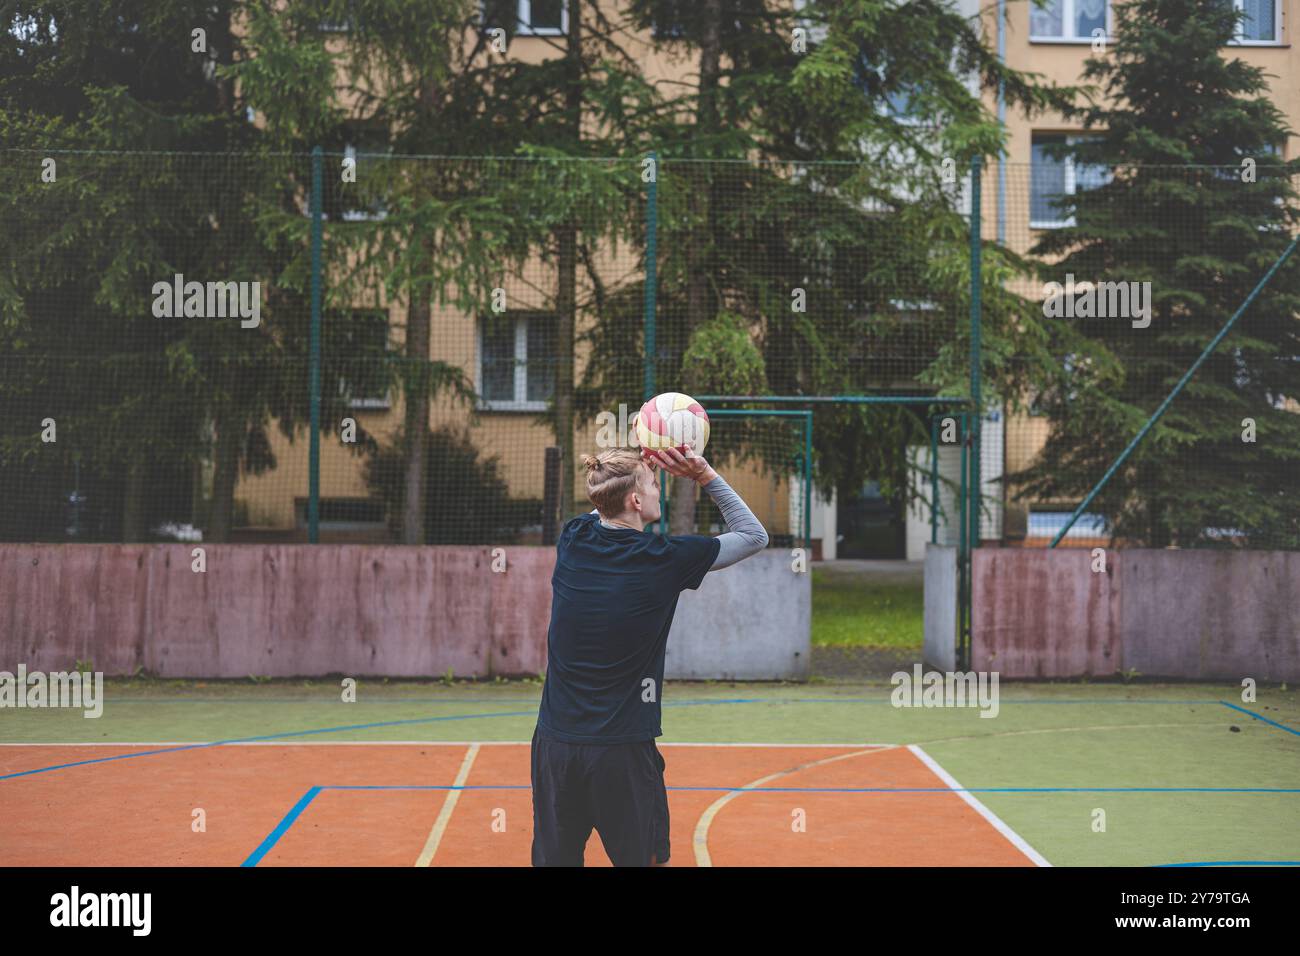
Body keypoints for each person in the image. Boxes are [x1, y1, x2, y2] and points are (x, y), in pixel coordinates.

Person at [531, 444, 769, 866]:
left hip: (555, 746)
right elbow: (754, 535)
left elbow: (600, 503)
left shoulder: (573, 538)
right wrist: (704, 475)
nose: (660, 491)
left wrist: (638, 462)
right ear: (636, 501)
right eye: (654, 485)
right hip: (620, 752)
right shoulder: (665, 559)